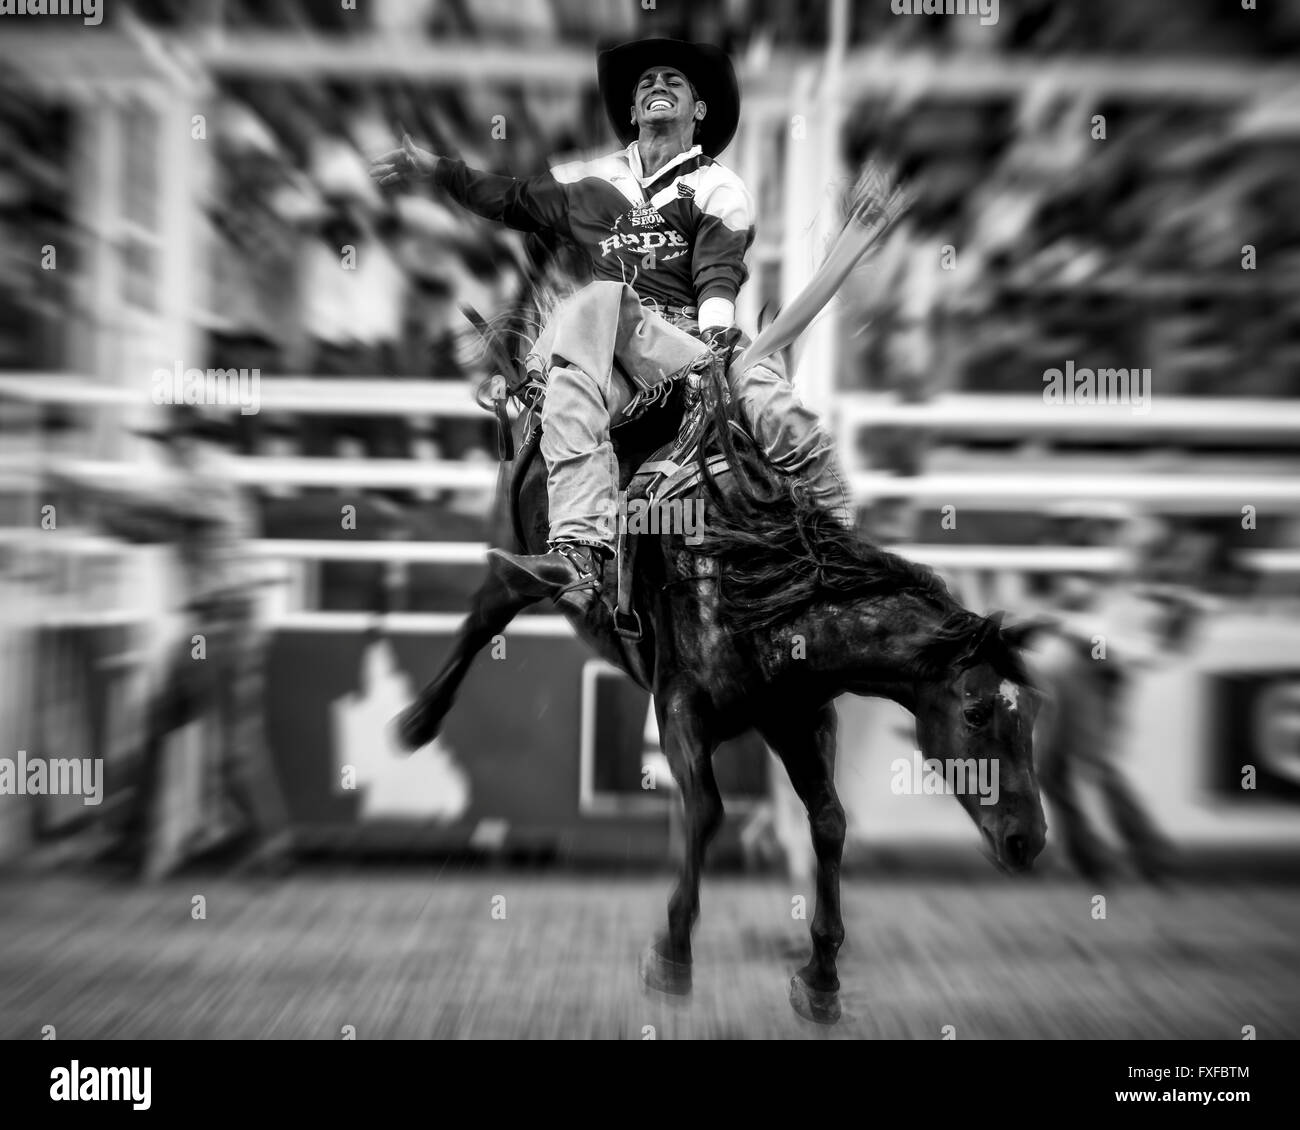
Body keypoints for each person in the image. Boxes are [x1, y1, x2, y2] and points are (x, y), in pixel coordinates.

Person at [369, 37, 854, 612]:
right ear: (630, 112)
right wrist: (440, 171)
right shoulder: (587, 179)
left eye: (673, 82)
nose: (655, 87)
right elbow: (512, 198)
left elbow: (718, 273)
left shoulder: (719, 187)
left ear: (699, 112)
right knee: (573, 382)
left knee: (773, 405)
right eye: (645, 84)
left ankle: (842, 542)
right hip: (609, 346)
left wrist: (717, 344)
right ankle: (578, 548)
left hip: (688, 337)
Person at [50, 411, 293, 878]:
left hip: (222, 620)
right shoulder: (202, 482)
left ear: (185, 440)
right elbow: (142, 527)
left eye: (168, 441)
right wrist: (90, 505)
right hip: (218, 619)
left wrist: (81, 490)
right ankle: (147, 839)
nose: (163, 450)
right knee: (172, 725)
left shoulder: (204, 476)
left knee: (222, 739)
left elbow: (148, 512)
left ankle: (255, 839)